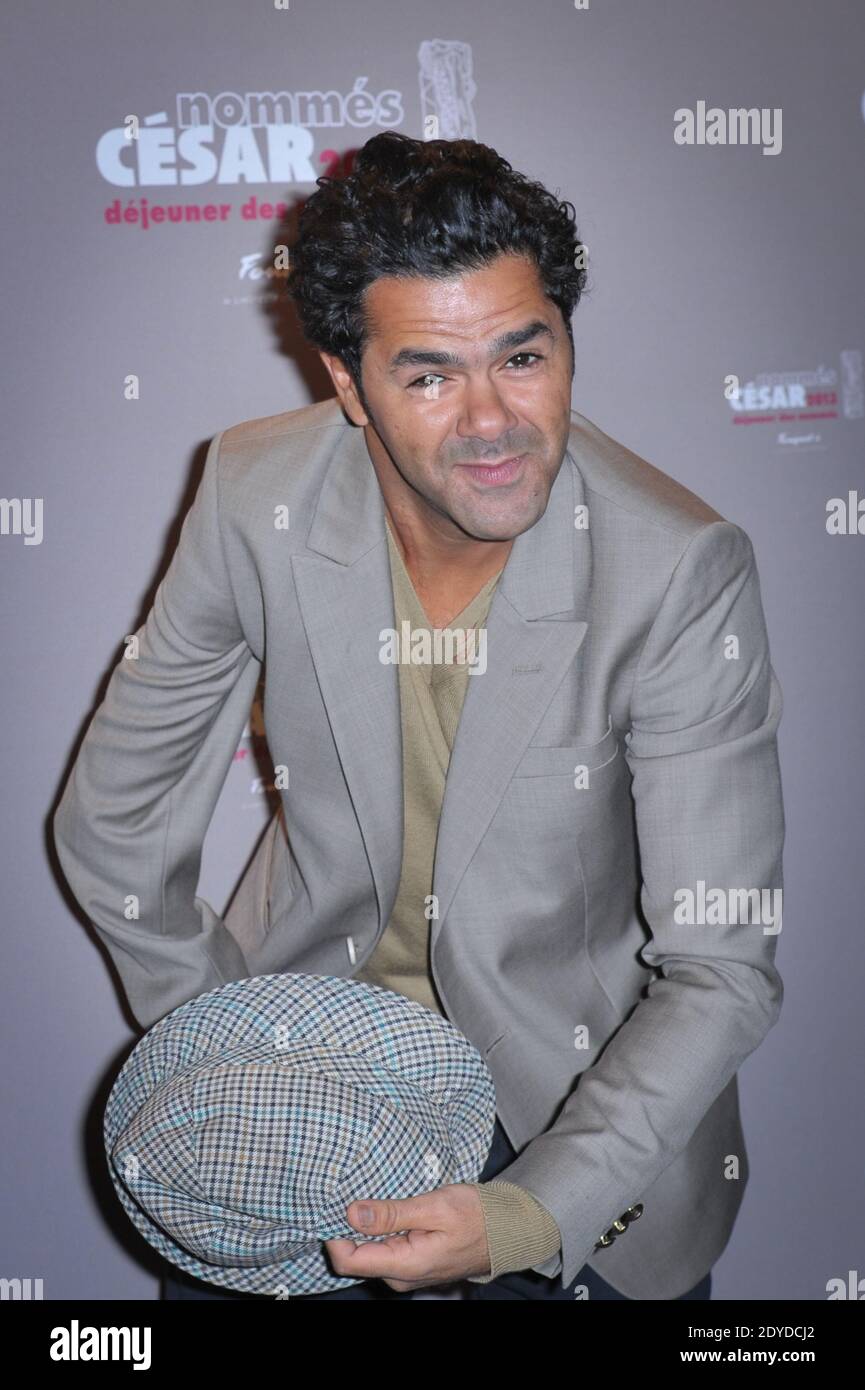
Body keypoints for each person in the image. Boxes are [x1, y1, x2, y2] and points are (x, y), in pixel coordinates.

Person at [54, 132, 784, 1302]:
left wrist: (529, 1210)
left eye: (522, 355)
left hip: (572, 1108)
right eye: (429, 374)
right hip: (306, 1077)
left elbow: (719, 964)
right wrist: (236, 1054)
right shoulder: (255, 495)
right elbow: (115, 817)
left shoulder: (677, 569)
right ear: (347, 383)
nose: (492, 420)